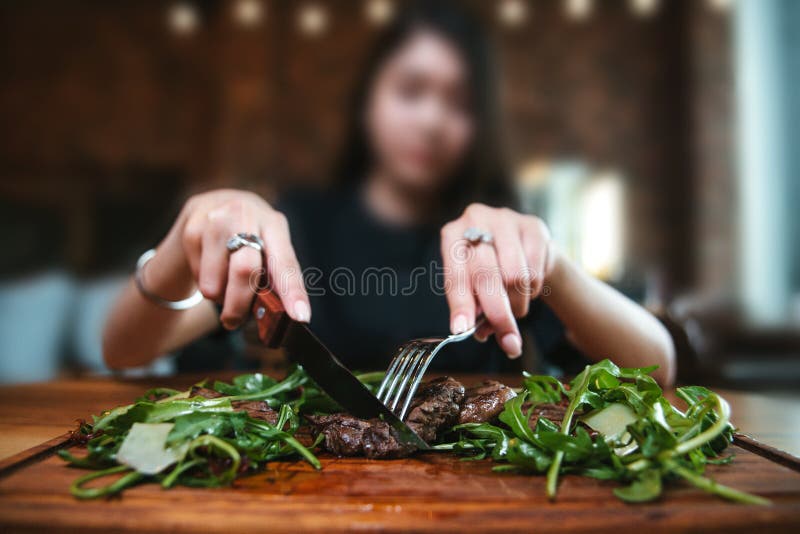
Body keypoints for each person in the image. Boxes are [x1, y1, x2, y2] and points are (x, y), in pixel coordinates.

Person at [103, 1, 675, 385]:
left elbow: (660, 368)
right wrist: (182, 241)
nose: (432, 119)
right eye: (411, 90)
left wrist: (553, 265)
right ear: (368, 103)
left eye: (459, 102)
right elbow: (122, 351)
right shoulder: (297, 224)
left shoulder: (494, 241)